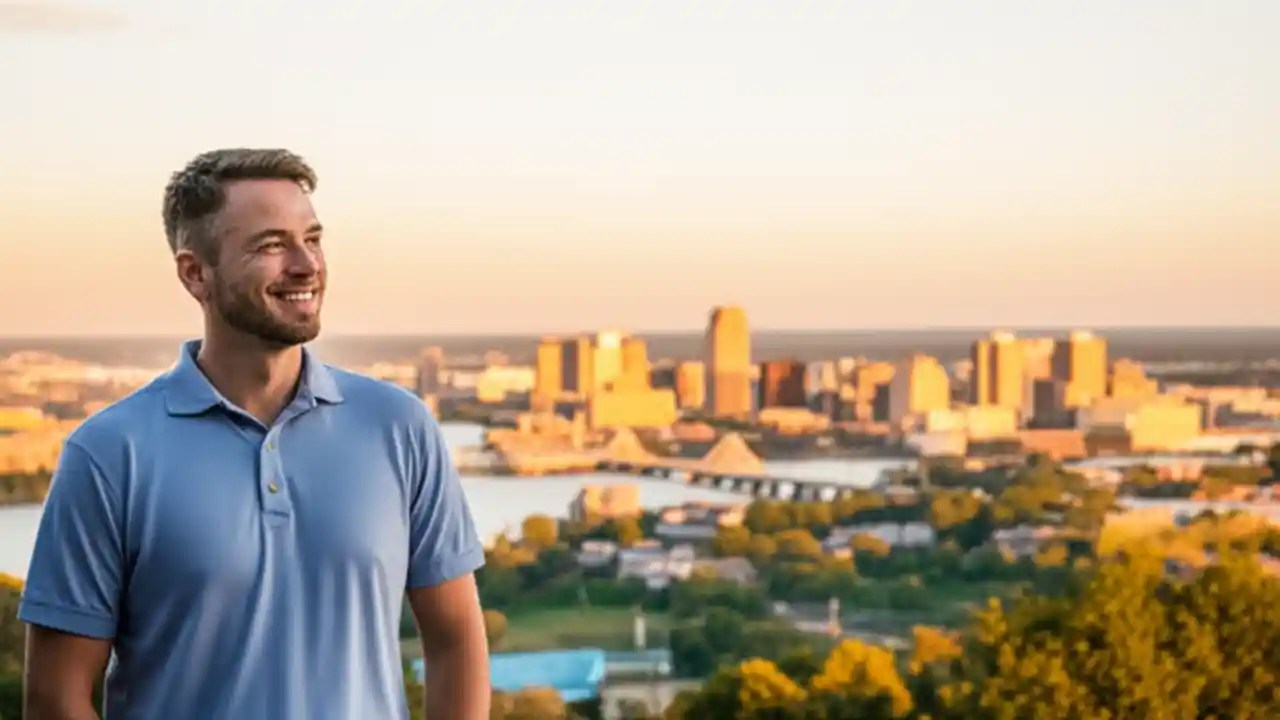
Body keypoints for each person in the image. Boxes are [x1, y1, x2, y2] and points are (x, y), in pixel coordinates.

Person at [18, 148, 490, 719]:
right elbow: (55, 696)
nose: (306, 265)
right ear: (196, 274)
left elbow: (457, 642)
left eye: (312, 239)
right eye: (271, 245)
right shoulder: (110, 453)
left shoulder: (398, 425)